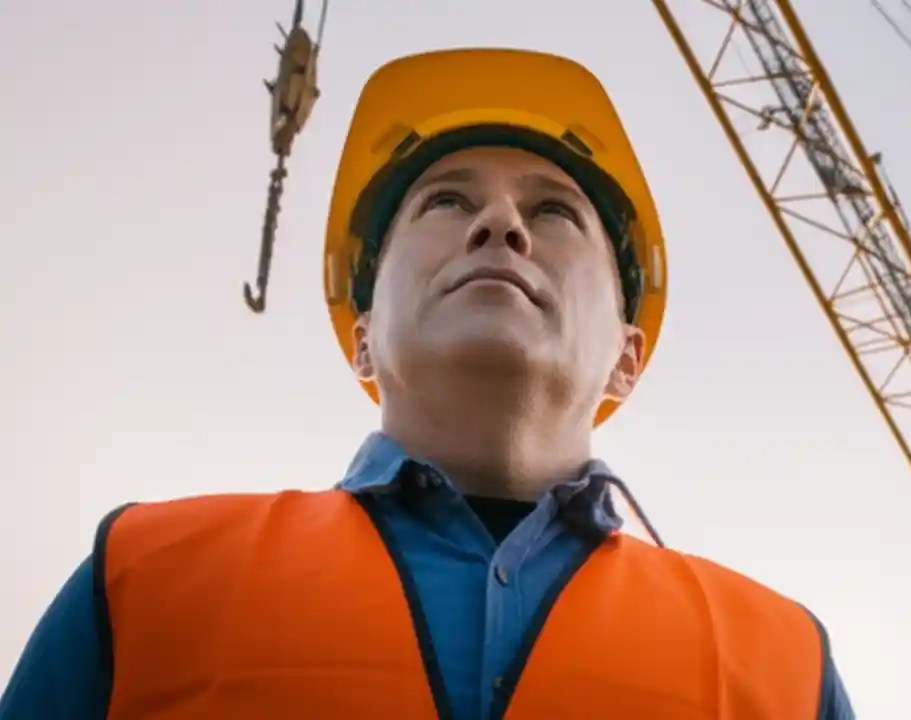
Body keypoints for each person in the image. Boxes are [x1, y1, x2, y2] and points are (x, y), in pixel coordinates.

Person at [0, 48, 856, 719]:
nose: (501, 224)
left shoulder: (784, 666)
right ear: (364, 335)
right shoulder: (144, 582)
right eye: (446, 203)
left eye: (553, 212)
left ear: (626, 356)